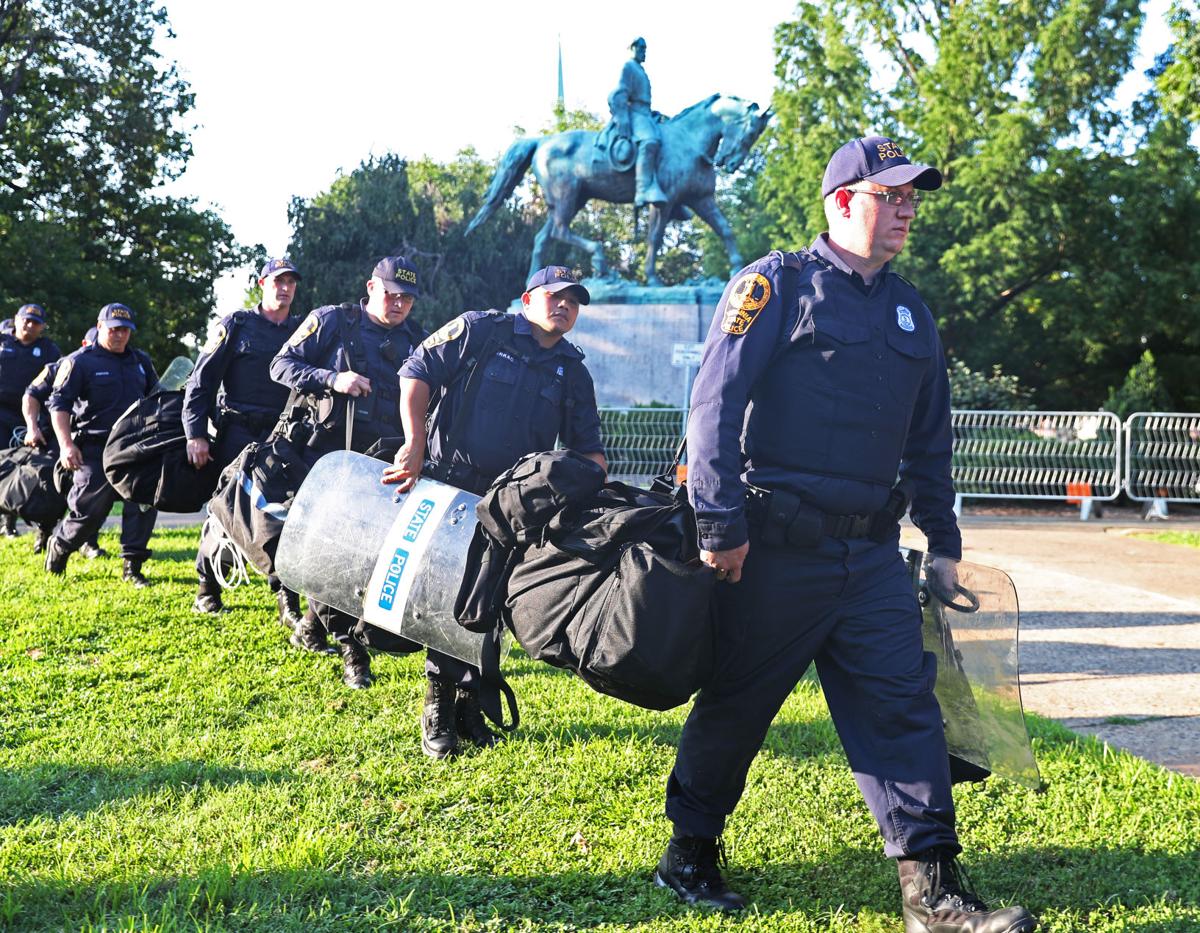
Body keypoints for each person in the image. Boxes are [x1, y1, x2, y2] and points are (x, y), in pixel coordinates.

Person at [654, 136, 1037, 933]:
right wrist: (719, 521)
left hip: (870, 557)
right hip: (772, 550)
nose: (906, 209)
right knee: (739, 702)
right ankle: (688, 850)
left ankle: (932, 891)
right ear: (841, 202)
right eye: (889, 195)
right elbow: (715, 403)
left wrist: (943, 542)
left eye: (910, 197)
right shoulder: (776, 284)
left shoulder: (912, 311)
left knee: (904, 707)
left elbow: (930, 441)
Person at [382, 264, 607, 760]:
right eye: (556, 295)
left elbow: (590, 450)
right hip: (449, 486)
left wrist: (584, 488)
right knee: (449, 595)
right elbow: (416, 373)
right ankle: (439, 704)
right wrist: (413, 442)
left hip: (513, 506)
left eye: (574, 300)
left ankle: (470, 706)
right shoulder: (481, 330)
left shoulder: (572, 370)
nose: (565, 305)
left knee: (488, 603)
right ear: (527, 300)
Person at [270, 256, 428, 675]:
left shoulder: (418, 340)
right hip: (326, 459)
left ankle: (311, 625)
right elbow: (280, 365)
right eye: (391, 294)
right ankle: (351, 648)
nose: (399, 304)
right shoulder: (332, 321)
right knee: (334, 550)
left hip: (384, 463)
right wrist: (332, 379)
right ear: (371, 287)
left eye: (407, 299)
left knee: (367, 555)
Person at [184, 258, 305, 621]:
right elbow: (200, 382)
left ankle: (286, 599)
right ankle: (207, 587)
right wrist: (196, 434)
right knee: (228, 512)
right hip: (237, 432)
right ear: (262, 284)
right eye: (277, 281)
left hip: (282, 436)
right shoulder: (236, 325)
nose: (284, 288)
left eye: (290, 282)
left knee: (285, 516)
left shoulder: (303, 331)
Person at [44, 303, 159, 586]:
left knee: (142, 504)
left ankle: (132, 567)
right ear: (99, 327)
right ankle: (60, 546)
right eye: (114, 329)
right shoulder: (80, 362)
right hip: (94, 448)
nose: (120, 335)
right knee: (88, 511)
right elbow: (59, 405)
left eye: (125, 330)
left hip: (134, 447)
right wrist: (66, 445)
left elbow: (157, 397)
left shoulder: (140, 361)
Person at [22, 327, 105, 555]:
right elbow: (31, 394)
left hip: (88, 440)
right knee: (52, 490)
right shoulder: (62, 366)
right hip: (55, 438)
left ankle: (88, 542)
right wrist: (32, 428)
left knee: (90, 493)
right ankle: (45, 532)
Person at [0, 304, 61, 535]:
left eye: (35, 322)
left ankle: (8, 523)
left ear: (42, 327)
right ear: (16, 319)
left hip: (29, 416)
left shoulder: (48, 350)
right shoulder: (2, 342)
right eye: (26, 320)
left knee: (20, 469)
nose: (29, 325)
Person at [609, 37, 668, 206]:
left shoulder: (641, 70)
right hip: (635, 113)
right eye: (641, 48)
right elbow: (619, 93)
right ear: (632, 48)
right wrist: (622, 118)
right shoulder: (628, 67)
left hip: (646, 113)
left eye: (645, 48)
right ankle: (643, 189)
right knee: (649, 141)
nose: (644, 52)